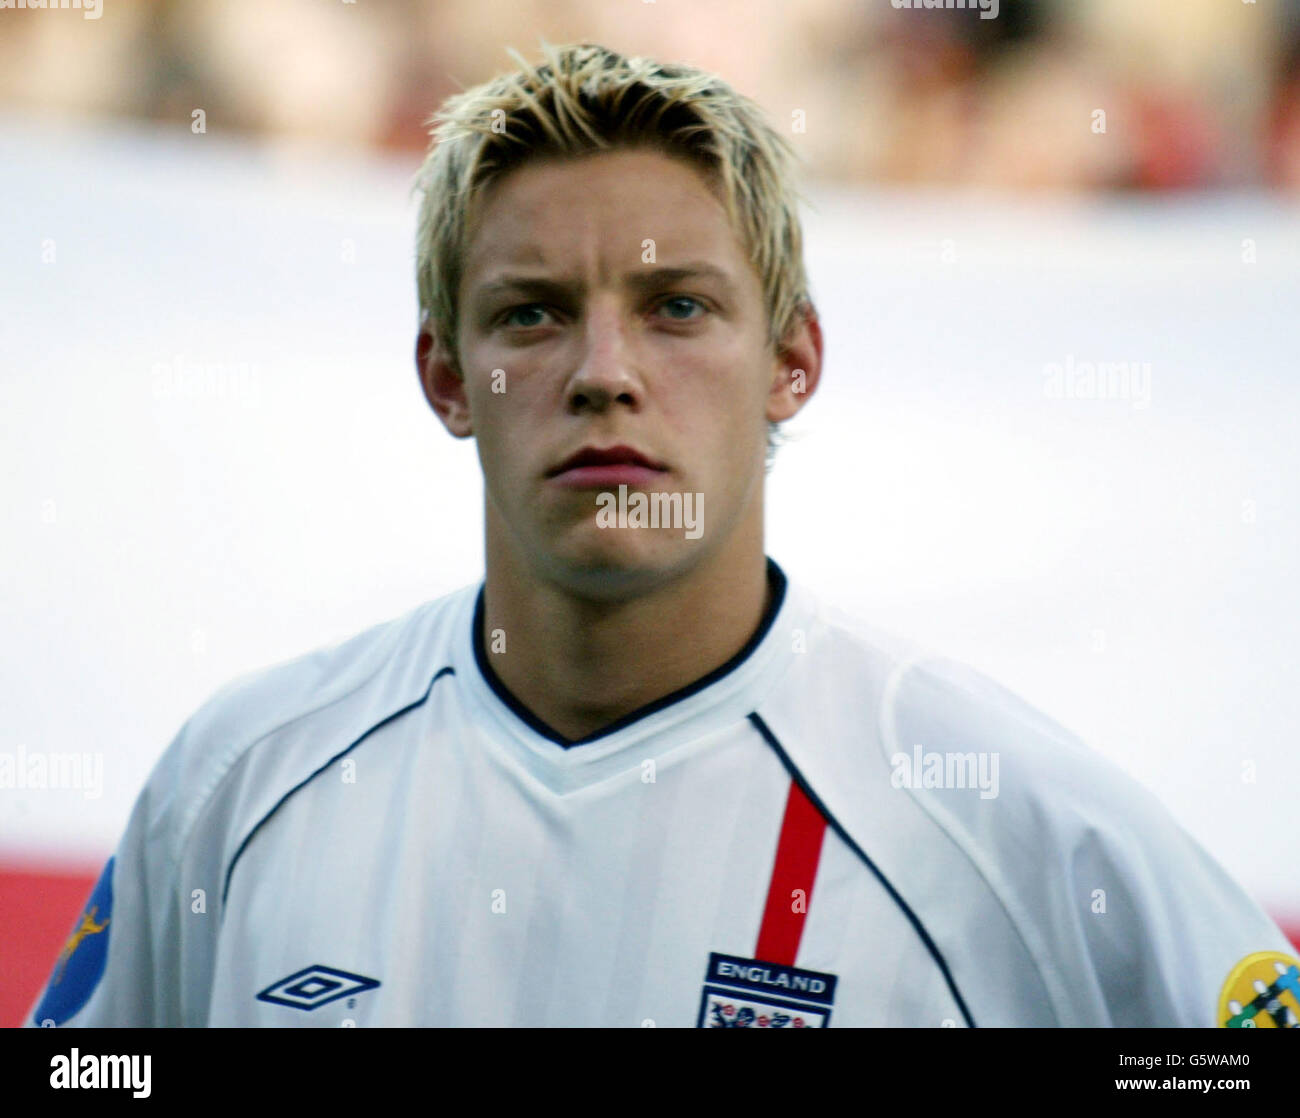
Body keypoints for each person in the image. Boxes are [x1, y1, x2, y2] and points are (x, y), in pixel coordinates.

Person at [28, 41, 1297, 1029]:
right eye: (530, 315)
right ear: (444, 376)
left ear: (792, 359)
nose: (604, 372)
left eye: (676, 306)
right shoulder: (241, 783)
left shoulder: (1011, 821)